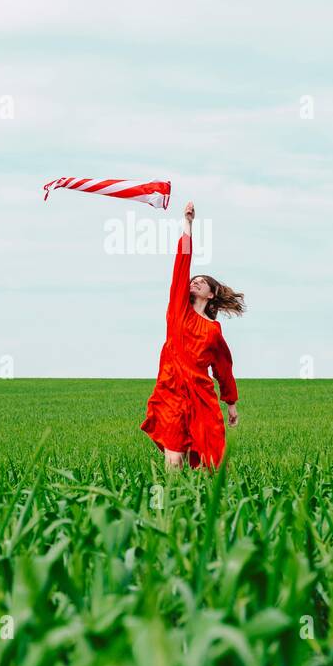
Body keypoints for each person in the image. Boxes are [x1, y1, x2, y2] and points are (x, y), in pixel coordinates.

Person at [140, 201, 244, 469]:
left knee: (212, 459)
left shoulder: (213, 330)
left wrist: (231, 403)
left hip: (201, 395)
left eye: (202, 281)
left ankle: (203, 503)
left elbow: (223, 366)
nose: (194, 281)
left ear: (211, 294)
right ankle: (172, 505)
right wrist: (187, 224)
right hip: (172, 388)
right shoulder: (178, 309)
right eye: (193, 280)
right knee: (173, 455)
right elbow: (181, 265)